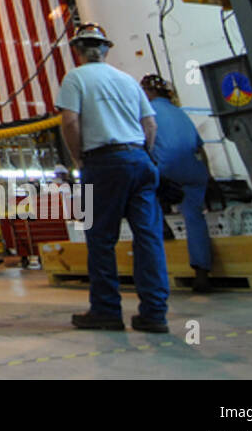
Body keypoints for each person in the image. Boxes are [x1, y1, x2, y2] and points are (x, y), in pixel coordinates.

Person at [56, 24, 168, 333]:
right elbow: (151, 125)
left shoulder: (75, 78)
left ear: (77, 50)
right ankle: (154, 315)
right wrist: (141, 154)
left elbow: (69, 122)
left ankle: (106, 311)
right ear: (106, 49)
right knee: (148, 239)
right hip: (140, 161)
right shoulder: (128, 81)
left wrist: (80, 157)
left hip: (102, 164)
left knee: (101, 240)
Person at [141, 74, 214, 293]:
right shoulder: (181, 113)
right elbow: (200, 148)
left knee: (139, 187)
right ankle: (202, 274)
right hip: (195, 170)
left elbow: (142, 144)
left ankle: (161, 224)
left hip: (166, 170)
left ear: (149, 93)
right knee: (194, 218)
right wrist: (208, 178)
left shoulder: (146, 112)